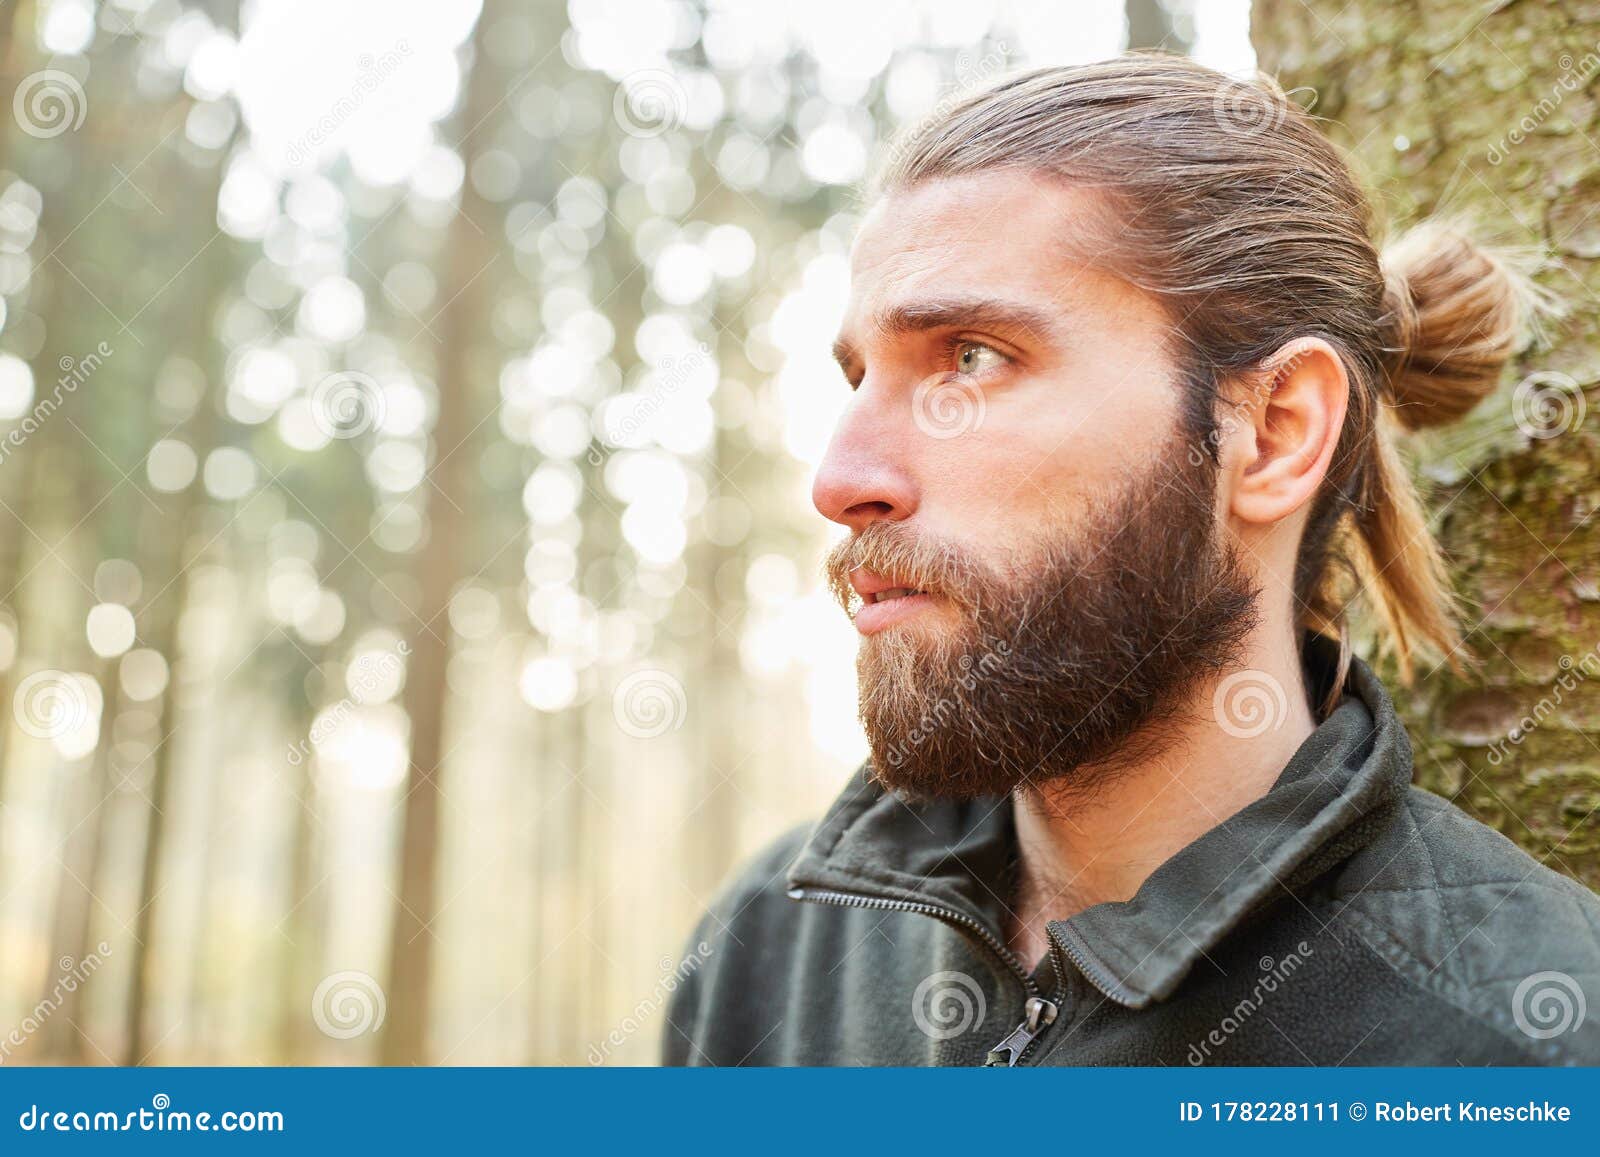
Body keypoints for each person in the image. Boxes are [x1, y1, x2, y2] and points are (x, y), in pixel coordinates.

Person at [662, 53, 1600, 1066]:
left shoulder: (1527, 1039)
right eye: (859, 376)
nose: (840, 478)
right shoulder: (768, 954)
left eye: (970, 357)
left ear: (1275, 429)